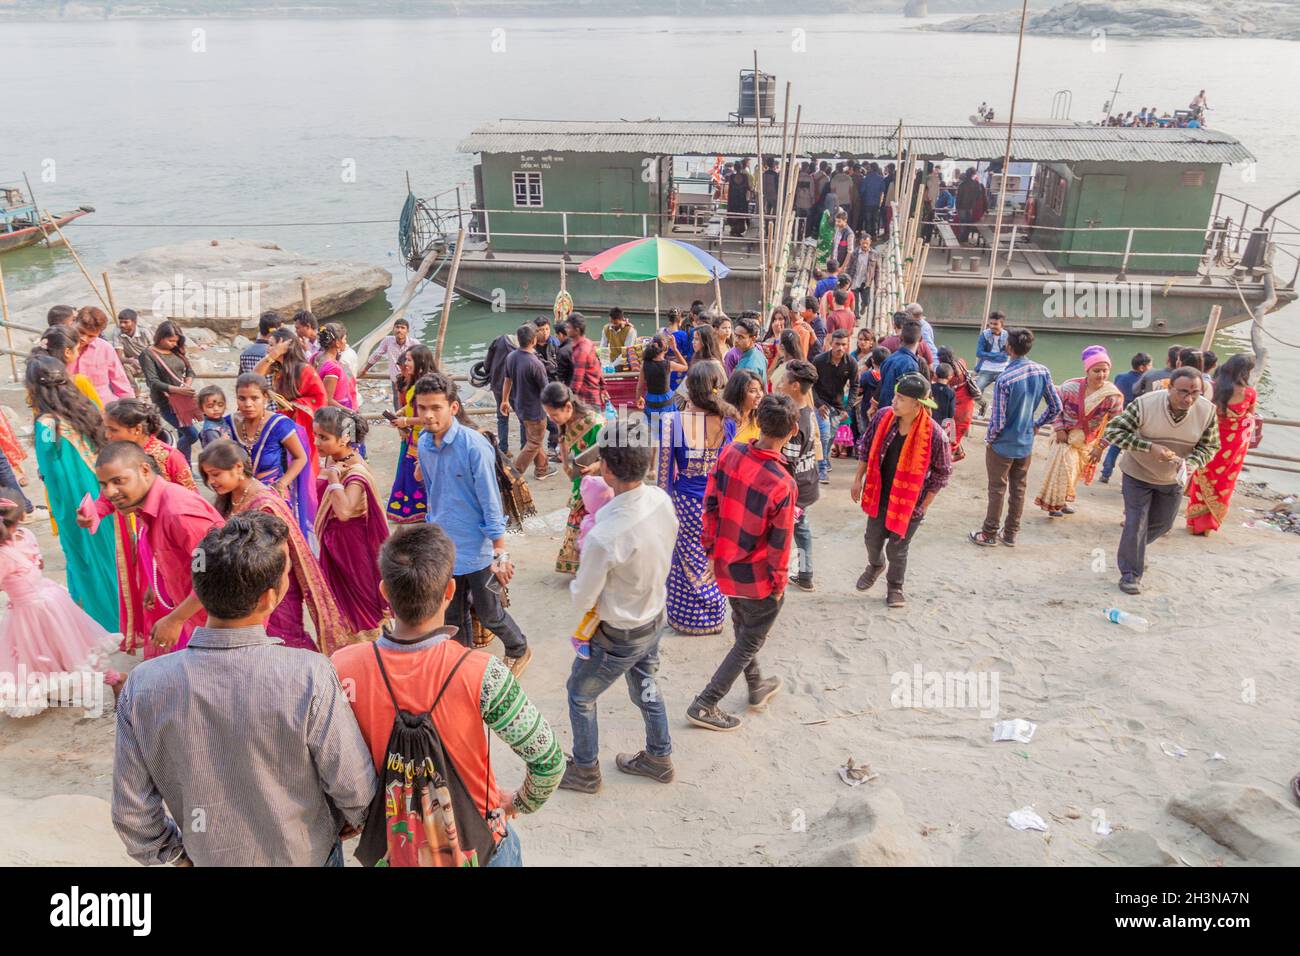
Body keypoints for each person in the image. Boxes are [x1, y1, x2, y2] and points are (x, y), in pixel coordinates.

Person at [112, 511, 375, 867]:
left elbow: (132, 812)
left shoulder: (143, 685)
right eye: (286, 574)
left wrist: (174, 857)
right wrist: (346, 820)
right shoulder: (308, 674)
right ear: (270, 598)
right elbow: (355, 789)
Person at [332, 523, 562, 865]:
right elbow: (548, 761)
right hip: (479, 846)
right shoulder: (483, 673)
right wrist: (515, 803)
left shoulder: (342, 668)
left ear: (384, 591)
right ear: (450, 591)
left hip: (394, 850)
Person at [559, 440, 679, 793]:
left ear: (607, 469)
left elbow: (583, 596)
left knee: (580, 695)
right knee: (646, 687)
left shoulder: (605, 536)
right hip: (654, 616)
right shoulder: (660, 499)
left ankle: (585, 769)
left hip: (619, 632)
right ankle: (659, 756)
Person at [686, 394, 798, 732]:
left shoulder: (732, 453)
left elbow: (711, 504)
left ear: (758, 421)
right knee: (750, 638)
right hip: (758, 577)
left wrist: (709, 549)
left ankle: (756, 686)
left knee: (743, 626)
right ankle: (706, 702)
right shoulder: (783, 484)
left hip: (725, 564)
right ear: (793, 431)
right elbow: (780, 547)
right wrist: (779, 585)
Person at [415, 372, 532, 675]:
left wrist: (500, 552)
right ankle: (462, 665)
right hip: (445, 546)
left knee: (490, 612)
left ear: (453, 407)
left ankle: (519, 648)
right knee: (452, 615)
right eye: (422, 407)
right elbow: (432, 491)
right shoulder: (424, 444)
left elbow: (490, 500)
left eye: (436, 408)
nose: (428, 415)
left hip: (478, 549)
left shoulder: (473, 446)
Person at [198, 439, 350, 654]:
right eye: (207, 476)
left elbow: (281, 558)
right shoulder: (231, 497)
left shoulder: (264, 504)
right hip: (248, 586)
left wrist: (261, 590)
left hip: (274, 587)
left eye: (215, 474)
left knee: (286, 641)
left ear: (238, 468)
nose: (211, 481)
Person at [92, 441, 224, 654]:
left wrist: (175, 619)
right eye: (103, 484)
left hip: (217, 625)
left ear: (144, 470)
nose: (110, 492)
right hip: (198, 618)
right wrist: (156, 586)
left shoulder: (178, 513)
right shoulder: (148, 507)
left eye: (118, 481)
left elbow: (214, 575)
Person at [0, 494, 118, 717]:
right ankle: (109, 678)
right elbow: (39, 562)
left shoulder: (3, 555)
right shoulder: (26, 534)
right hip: (51, 598)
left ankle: (112, 679)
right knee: (71, 647)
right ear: (22, 516)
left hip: (30, 611)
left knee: (42, 651)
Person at [1103, 368, 1219, 594]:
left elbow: (1210, 446)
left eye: (1195, 392)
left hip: (1173, 478)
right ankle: (1130, 574)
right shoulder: (1145, 404)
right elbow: (1113, 431)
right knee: (1136, 521)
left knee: (1164, 523)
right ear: (1169, 388)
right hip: (1138, 472)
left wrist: (1192, 462)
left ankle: (1134, 549)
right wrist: (1148, 447)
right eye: (1183, 392)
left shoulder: (1207, 411)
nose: (1188, 398)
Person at [27, 356, 120, 632]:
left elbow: (50, 471)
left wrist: (60, 506)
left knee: (84, 557)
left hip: (72, 499)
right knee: (110, 553)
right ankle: (124, 612)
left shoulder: (46, 425)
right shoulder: (86, 407)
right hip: (102, 491)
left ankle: (101, 620)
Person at [100, 399, 199, 656]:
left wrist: (178, 617)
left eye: (113, 429)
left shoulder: (178, 506)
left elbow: (206, 566)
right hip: (151, 549)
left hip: (176, 556)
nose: (107, 435)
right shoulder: (146, 515)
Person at [852, 372, 952, 608]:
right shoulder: (883, 417)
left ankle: (895, 587)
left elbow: (942, 473)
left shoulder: (935, 434)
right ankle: (875, 565)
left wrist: (922, 506)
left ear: (917, 404)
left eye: (901, 399)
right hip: (880, 494)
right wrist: (858, 479)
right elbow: (866, 446)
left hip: (910, 503)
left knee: (897, 549)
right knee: (872, 540)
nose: (894, 402)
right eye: (895, 396)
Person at [656, 362, 736, 635]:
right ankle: (714, 613)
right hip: (718, 503)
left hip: (686, 503)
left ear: (690, 388)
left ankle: (688, 618)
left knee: (685, 559)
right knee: (711, 554)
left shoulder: (673, 421)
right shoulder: (728, 422)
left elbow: (664, 475)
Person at [969, 327, 1063, 547]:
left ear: (1009, 348)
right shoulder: (1042, 371)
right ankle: (1010, 534)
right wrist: (1036, 424)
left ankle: (989, 533)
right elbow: (1055, 406)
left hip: (1003, 444)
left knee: (997, 490)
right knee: (1018, 489)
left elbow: (999, 420)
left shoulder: (1005, 379)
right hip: (1025, 442)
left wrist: (990, 439)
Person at [314, 406, 390, 638]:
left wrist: (335, 478)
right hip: (336, 545)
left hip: (353, 551)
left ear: (345, 438)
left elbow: (345, 511)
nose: (317, 442)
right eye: (316, 435)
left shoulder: (354, 471)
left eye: (324, 437)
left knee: (361, 611)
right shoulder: (334, 459)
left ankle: (369, 656)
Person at [1033, 346, 1123, 517]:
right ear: (1087, 371)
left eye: (1105, 370)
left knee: (1074, 473)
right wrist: (1059, 428)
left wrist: (1101, 446)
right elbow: (1055, 408)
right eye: (1096, 370)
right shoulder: (1069, 387)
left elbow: (1116, 424)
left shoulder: (1113, 396)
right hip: (1064, 437)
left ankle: (1062, 501)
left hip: (1088, 442)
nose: (1101, 375)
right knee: (1063, 469)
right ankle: (1053, 505)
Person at [226, 373, 315, 540]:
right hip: (237, 497)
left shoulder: (278, 425)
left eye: (254, 398)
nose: (248, 404)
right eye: (242, 398)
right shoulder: (228, 424)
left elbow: (300, 458)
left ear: (265, 397)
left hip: (271, 497)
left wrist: (281, 484)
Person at [1186, 353, 1257, 536]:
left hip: (1211, 439)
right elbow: (1250, 416)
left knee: (1202, 479)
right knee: (1224, 481)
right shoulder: (1249, 393)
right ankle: (1208, 525)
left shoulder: (1213, 388)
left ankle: (1194, 522)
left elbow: (1200, 410)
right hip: (1233, 446)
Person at [543, 382, 605, 574]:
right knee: (580, 523)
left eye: (554, 415)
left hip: (600, 484)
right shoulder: (566, 423)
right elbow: (568, 455)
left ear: (568, 407)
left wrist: (595, 466)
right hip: (581, 481)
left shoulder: (596, 424)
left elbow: (612, 455)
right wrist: (566, 464)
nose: (552, 420)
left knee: (589, 523)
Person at [253, 328, 328, 480]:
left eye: (272, 345)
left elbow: (320, 399)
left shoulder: (304, 369)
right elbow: (254, 376)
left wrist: (294, 406)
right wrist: (273, 354)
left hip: (300, 426)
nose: (268, 349)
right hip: (283, 423)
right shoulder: (278, 368)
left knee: (298, 466)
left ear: (285, 346)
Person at [775, 360, 821, 592]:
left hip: (794, 489)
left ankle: (779, 578)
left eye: (783, 381)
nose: (779, 384)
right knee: (802, 528)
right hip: (807, 483)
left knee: (781, 534)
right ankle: (805, 573)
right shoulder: (806, 411)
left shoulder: (795, 423)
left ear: (795, 386)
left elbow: (787, 464)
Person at [385, 343, 437, 524]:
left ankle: (422, 511)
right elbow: (412, 405)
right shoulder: (415, 384)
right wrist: (401, 414)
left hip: (426, 436)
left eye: (408, 360)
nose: (405, 363)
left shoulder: (427, 386)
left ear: (420, 362)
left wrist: (405, 421)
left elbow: (430, 418)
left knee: (419, 475)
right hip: (414, 437)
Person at [138, 320, 199, 464]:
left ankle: (186, 468)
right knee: (192, 435)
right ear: (160, 337)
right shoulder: (148, 354)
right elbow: (153, 381)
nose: (174, 344)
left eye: (176, 341)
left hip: (183, 401)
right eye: (170, 340)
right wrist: (178, 390)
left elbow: (190, 370)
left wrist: (187, 385)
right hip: (165, 402)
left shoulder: (176, 351)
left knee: (183, 432)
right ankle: (175, 460)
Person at [499, 323, 554, 481]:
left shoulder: (511, 357)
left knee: (534, 438)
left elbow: (507, 380)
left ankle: (542, 468)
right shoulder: (535, 364)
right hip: (535, 410)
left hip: (520, 406)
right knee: (534, 442)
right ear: (534, 340)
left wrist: (504, 400)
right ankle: (513, 475)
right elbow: (546, 390)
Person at [812, 329, 857, 483]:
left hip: (838, 407)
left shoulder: (851, 363)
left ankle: (824, 458)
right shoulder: (819, 360)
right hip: (821, 404)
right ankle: (822, 468)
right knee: (824, 435)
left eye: (844, 344)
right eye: (837, 344)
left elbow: (854, 386)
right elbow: (810, 384)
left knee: (830, 437)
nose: (840, 348)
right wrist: (818, 404)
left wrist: (847, 408)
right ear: (831, 344)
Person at [1099, 352, 1151, 483]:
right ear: (1142, 367)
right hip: (1135, 417)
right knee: (1131, 449)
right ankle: (1126, 478)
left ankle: (1106, 473)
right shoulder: (1145, 380)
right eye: (1150, 365)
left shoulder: (1120, 376)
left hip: (1119, 414)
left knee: (1115, 444)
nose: (1151, 367)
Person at [70, 306, 134, 407]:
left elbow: (121, 383)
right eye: (81, 332)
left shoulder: (105, 349)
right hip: (69, 408)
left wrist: (130, 409)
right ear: (73, 323)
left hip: (103, 408)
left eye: (91, 336)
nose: (84, 338)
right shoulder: (58, 346)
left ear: (99, 334)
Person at [360, 316, 412, 411]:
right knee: (398, 404)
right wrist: (365, 369)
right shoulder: (388, 340)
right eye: (397, 327)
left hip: (411, 379)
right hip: (396, 380)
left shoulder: (414, 343)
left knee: (412, 402)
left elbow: (423, 359)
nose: (399, 330)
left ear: (407, 331)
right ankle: (400, 424)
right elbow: (377, 355)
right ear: (393, 329)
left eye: (402, 328)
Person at [937, 346, 977, 461]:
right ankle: (958, 453)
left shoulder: (947, 373)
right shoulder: (961, 362)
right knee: (956, 434)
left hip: (955, 407)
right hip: (967, 404)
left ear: (940, 359)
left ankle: (947, 461)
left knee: (950, 437)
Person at [875, 320, 925, 413]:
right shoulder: (911, 365)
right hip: (897, 413)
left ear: (901, 337)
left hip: (883, 412)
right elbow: (908, 397)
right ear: (921, 339)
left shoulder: (889, 359)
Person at [636, 334, 685, 426]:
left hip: (651, 399)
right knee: (669, 427)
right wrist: (675, 349)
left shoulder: (645, 364)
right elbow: (685, 367)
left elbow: (639, 387)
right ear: (666, 349)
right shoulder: (669, 364)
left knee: (652, 428)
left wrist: (638, 398)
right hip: (666, 399)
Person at [313, 322, 359, 412]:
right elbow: (328, 400)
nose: (346, 342)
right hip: (334, 416)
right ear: (337, 343)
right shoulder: (333, 368)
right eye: (345, 339)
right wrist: (351, 413)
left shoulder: (316, 357)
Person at [567, 313, 609, 408]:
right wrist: (603, 388)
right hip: (593, 398)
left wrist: (568, 399)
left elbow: (577, 380)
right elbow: (598, 368)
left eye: (569, 328)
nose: (567, 330)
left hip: (586, 401)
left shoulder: (581, 351)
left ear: (577, 330)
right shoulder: (588, 343)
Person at [109, 308, 152, 382]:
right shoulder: (117, 332)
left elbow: (155, 351)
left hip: (148, 362)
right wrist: (130, 361)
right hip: (133, 364)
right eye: (121, 322)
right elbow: (118, 357)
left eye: (126, 322)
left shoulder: (144, 331)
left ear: (134, 322)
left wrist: (145, 361)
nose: (122, 325)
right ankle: (134, 390)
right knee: (123, 368)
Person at [724, 316, 769, 385]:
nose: (736, 340)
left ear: (753, 339)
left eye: (741, 337)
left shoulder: (750, 367)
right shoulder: (756, 353)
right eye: (735, 335)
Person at [843, 234, 878, 322]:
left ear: (870, 242)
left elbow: (877, 270)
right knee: (854, 300)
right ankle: (856, 318)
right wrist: (846, 280)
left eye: (867, 243)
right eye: (863, 243)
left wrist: (877, 284)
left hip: (866, 282)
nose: (865, 245)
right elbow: (849, 267)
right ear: (860, 242)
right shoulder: (855, 253)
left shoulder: (874, 254)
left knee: (866, 301)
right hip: (855, 280)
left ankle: (864, 306)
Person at [239, 311, 283, 380]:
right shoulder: (276, 354)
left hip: (252, 390)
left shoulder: (245, 353)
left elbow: (241, 379)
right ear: (275, 331)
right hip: (271, 391)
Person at [725, 368, 763, 445]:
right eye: (753, 391)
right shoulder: (725, 421)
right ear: (738, 393)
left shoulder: (758, 421)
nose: (759, 395)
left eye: (761, 390)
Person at [726, 159, 752, 237]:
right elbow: (748, 187)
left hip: (733, 200)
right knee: (740, 216)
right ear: (740, 168)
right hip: (741, 200)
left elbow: (730, 189)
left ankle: (734, 230)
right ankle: (737, 231)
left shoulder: (731, 176)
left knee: (734, 215)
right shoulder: (744, 176)